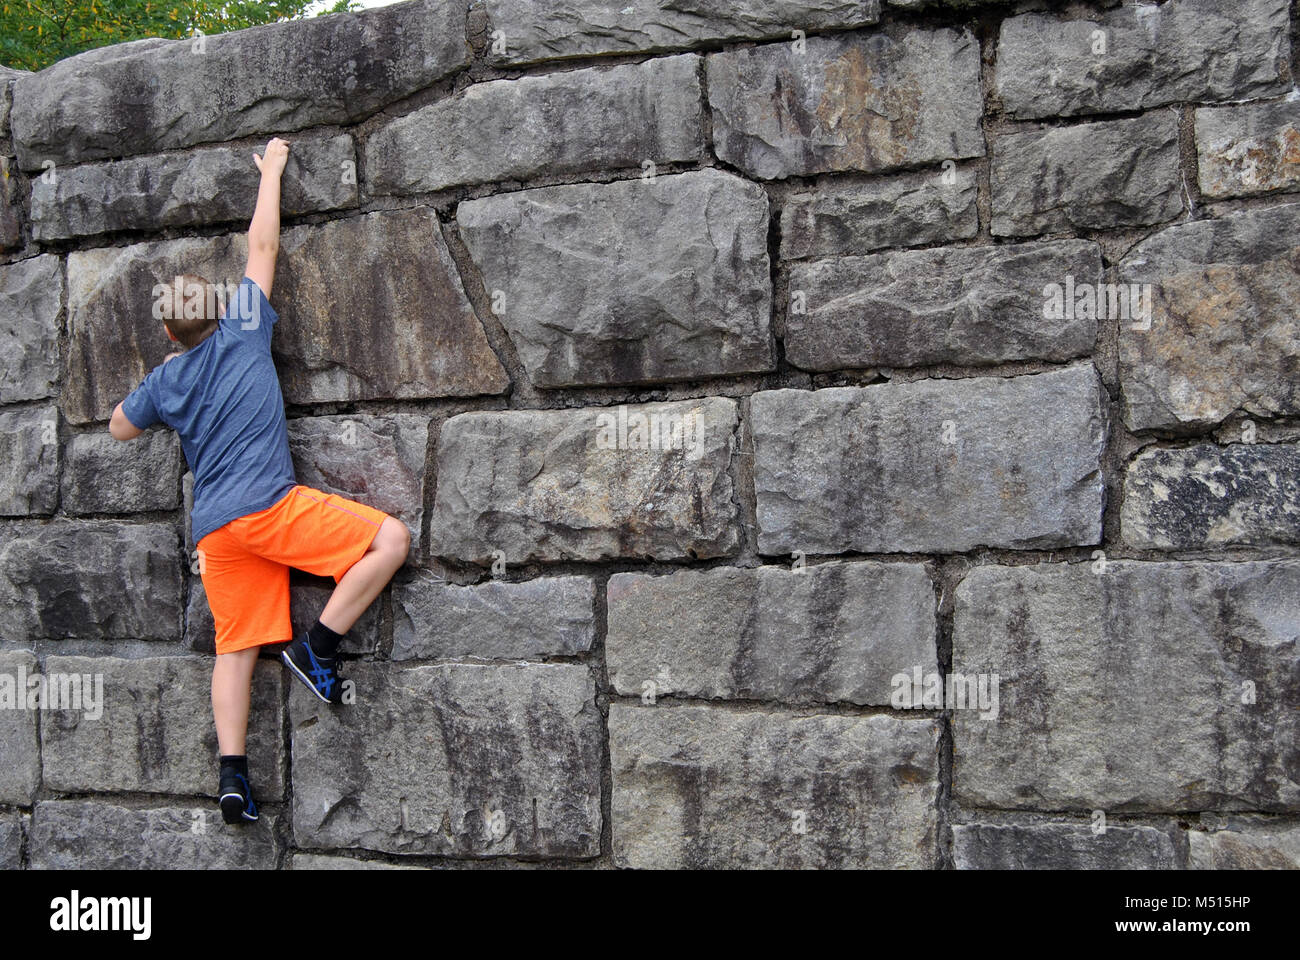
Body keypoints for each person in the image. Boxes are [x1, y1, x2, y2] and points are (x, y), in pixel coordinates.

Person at [108, 137, 410, 825]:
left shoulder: (165, 380)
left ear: (167, 330)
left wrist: (160, 386)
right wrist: (272, 170)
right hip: (270, 511)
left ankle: (233, 777)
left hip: (216, 532)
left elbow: (119, 427)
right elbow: (263, 247)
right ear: (218, 311)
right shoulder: (243, 327)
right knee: (390, 540)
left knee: (234, 650)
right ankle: (319, 647)